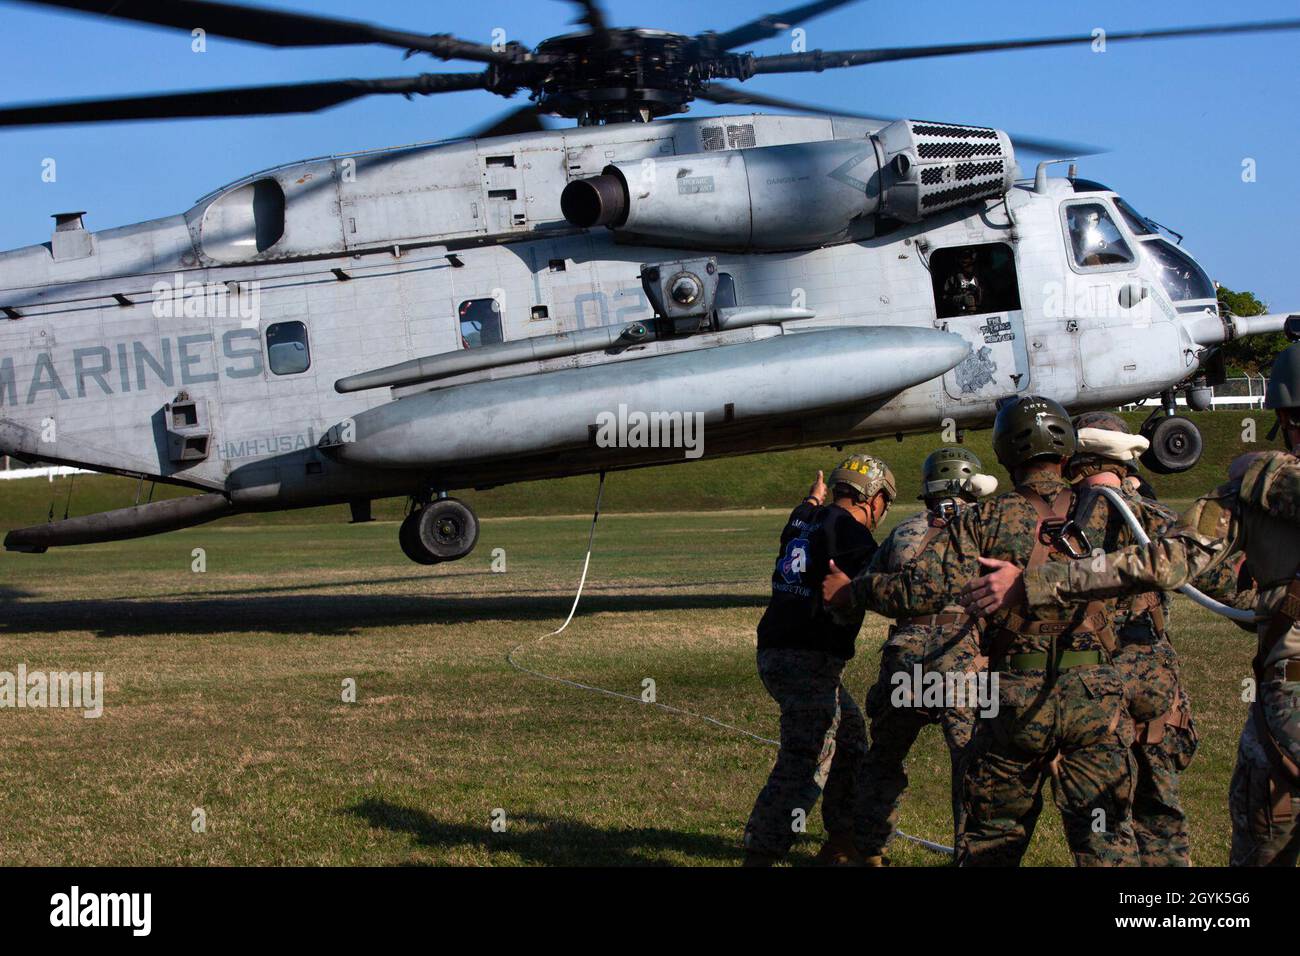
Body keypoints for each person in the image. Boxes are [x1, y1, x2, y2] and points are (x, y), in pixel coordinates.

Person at [966, 344, 1300, 865]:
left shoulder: (1248, 487)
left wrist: (1262, 476)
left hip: (1080, 697)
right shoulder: (1145, 509)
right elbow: (1220, 589)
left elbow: (1171, 562)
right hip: (1144, 693)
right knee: (1156, 817)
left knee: (1261, 830)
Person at [824, 396, 1141, 866]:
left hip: (921, 661)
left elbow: (913, 590)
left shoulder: (960, 525)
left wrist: (854, 593)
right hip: (1009, 670)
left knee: (894, 765)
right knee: (981, 771)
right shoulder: (1110, 511)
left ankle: (868, 849)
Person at [1065, 411, 1252, 865]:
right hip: (1152, 688)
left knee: (1101, 823)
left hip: (1082, 690)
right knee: (1160, 813)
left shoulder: (1053, 526)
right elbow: (1237, 592)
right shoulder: (1160, 522)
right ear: (1127, 462)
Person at [744, 454, 896, 866]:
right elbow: (886, 582)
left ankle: (842, 842)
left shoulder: (802, 517)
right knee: (807, 759)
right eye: (884, 502)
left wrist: (813, 499)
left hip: (777, 650)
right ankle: (762, 851)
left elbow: (810, 509)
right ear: (873, 497)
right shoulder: (852, 534)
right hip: (808, 658)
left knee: (849, 739)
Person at [852, 447, 998, 864]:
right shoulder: (985, 531)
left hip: (905, 653)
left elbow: (865, 585)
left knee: (885, 756)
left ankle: (868, 851)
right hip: (963, 655)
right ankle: (972, 856)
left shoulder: (904, 531)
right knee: (971, 762)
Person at [942, 250, 983, 316]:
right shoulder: (953, 278)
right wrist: (961, 299)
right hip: (961, 313)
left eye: (970, 263)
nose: (969, 267)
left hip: (978, 313)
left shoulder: (978, 278)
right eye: (964, 261)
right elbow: (945, 299)